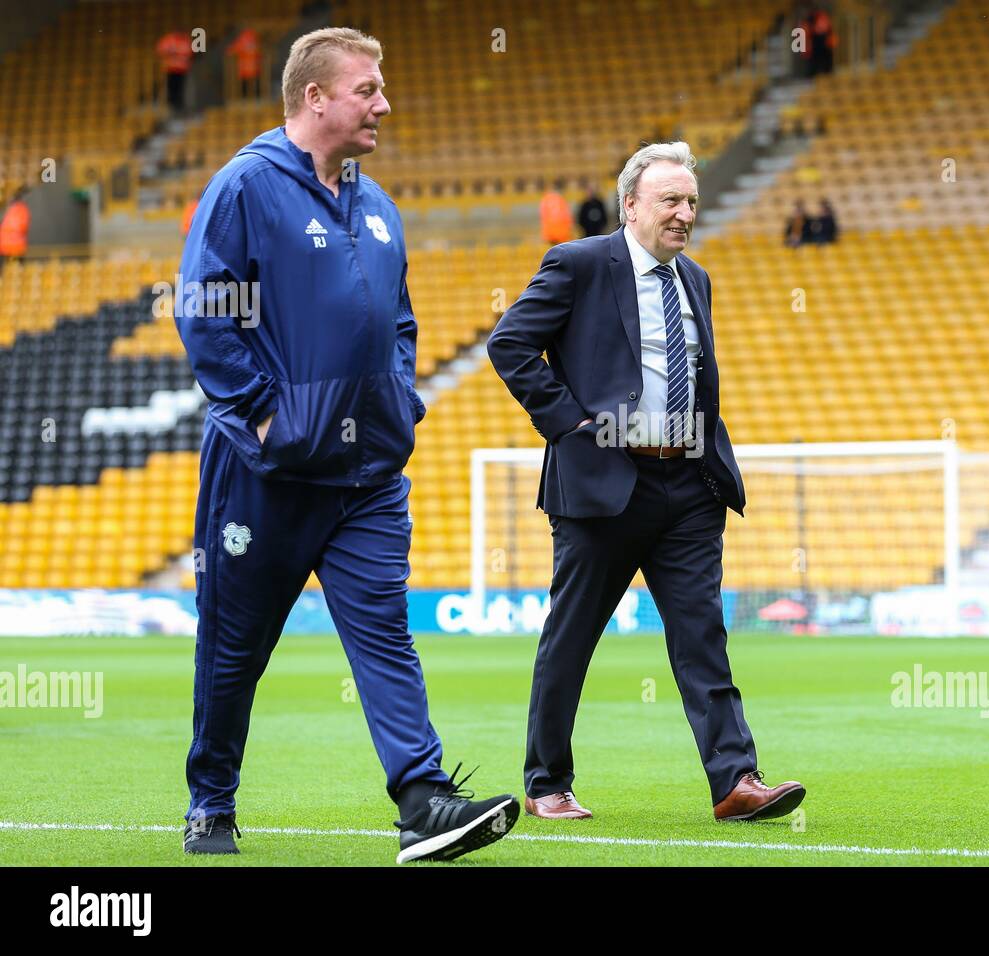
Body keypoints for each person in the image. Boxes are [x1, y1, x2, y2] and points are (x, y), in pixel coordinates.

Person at [175, 26, 518, 863]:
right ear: (315, 97)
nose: (384, 103)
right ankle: (210, 801)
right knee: (233, 651)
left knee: (384, 632)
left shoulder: (376, 203)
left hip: (367, 476)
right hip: (267, 474)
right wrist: (263, 417)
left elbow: (398, 322)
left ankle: (422, 798)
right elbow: (203, 308)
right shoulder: (246, 186)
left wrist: (399, 401)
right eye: (367, 89)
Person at [486, 142, 806, 823]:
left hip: (688, 487)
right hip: (604, 485)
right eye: (671, 200)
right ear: (631, 205)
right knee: (572, 637)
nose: (684, 213)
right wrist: (570, 423)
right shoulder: (577, 265)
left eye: (691, 201)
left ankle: (735, 781)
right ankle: (547, 782)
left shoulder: (697, 278)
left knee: (702, 635)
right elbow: (509, 343)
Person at [156, 28, 195, 114]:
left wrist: (175, 53)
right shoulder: (169, 39)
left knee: (181, 88)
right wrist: (175, 53)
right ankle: (172, 105)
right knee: (171, 88)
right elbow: (161, 50)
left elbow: (189, 52)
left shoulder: (186, 40)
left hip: (182, 69)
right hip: (171, 69)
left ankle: (180, 105)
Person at [0, 186, 31, 269]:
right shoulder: (7, 208)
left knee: (17, 271)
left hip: (17, 247)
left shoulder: (21, 209)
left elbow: (21, 226)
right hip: (5, 247)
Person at [229, 27, 263, 100]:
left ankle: (246, 98)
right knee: (252, 83)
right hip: (253, 66)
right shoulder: (254, 39)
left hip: (245, 67)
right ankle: (256, 97)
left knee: (247, 84)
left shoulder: (241, 40)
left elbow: (231, 51)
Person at [539, 180, 574, 244]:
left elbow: (543, 216)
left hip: (550, 232)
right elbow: (567, 216)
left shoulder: (545, 199)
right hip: (562, 233)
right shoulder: (562, 200)